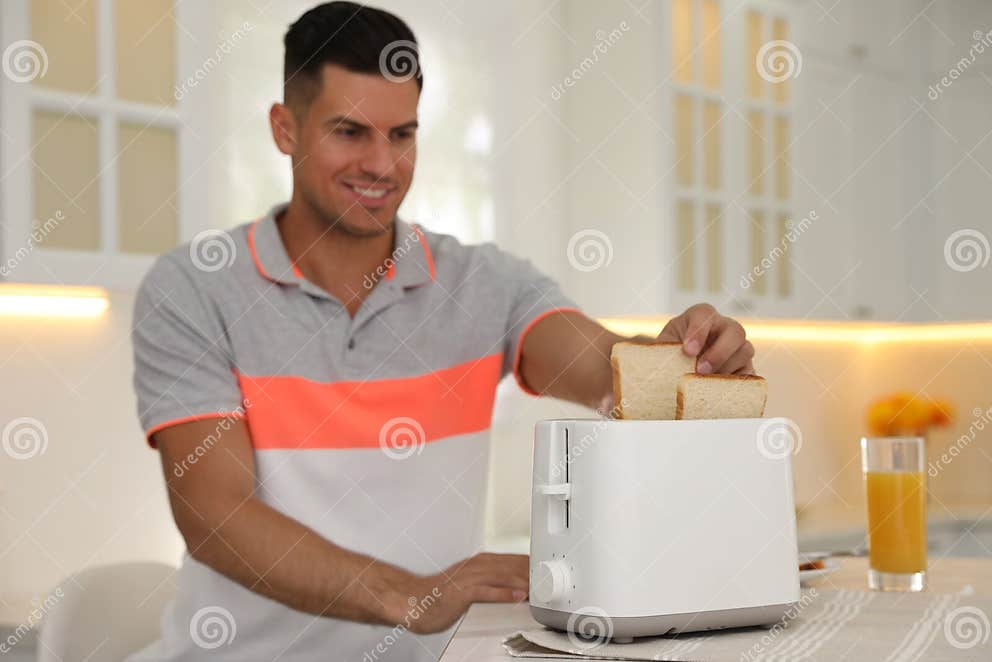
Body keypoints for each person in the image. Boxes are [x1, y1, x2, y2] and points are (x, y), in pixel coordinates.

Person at [129, 2, 755, 660]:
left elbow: (614, 376)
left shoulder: (484, 284)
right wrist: (406, 596)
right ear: (285, 129)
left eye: (402, 134)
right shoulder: (196, 288)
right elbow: (217, 517)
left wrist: (691, 361)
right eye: (350, 132)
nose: (382, 163)